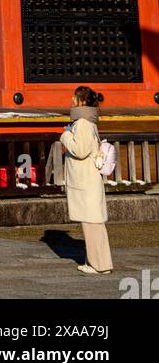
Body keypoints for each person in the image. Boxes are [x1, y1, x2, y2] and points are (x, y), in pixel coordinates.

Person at [60, 84, 113, 275]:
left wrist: (65, 136)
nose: (71, 101)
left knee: (91, 224)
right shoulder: (90, 122)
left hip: (85, 181)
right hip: (90, 179)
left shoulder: (82, 123)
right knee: (94, 223)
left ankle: (98, 264)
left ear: (81, 101)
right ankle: (99, 262)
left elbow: (80, 150)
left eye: (74, 98)